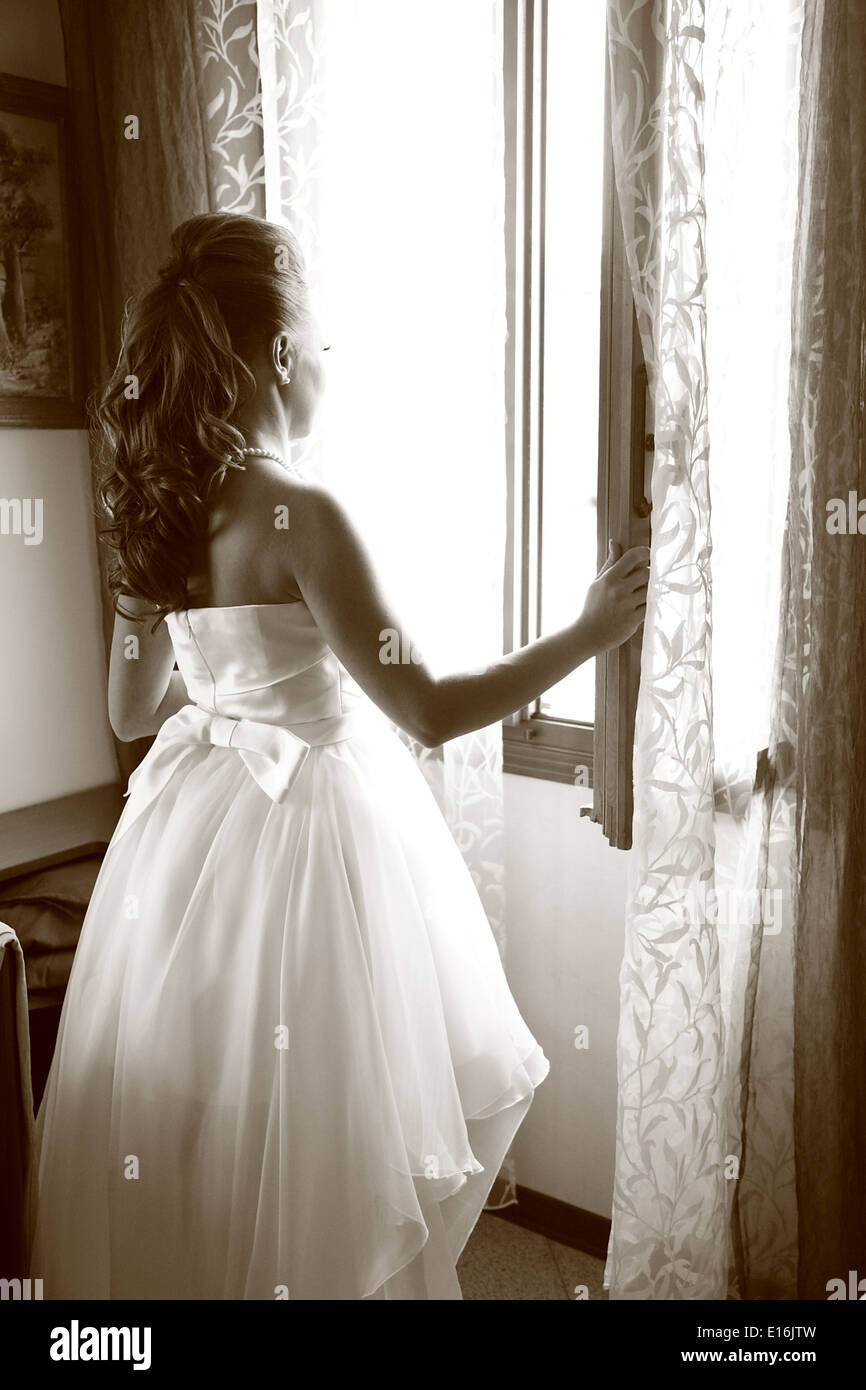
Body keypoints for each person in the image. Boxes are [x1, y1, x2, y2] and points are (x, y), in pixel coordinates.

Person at [28, 212, 649, 1300]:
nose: (326, 365)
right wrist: (586, 633)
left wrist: (220, 663)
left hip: (182, 835)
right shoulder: (296, 512)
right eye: (321, 345)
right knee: (319, 1120)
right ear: (277, 355)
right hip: (309, 832)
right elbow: (428, 705)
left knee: (200, 1113)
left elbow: (130, 710)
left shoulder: (159, 515)